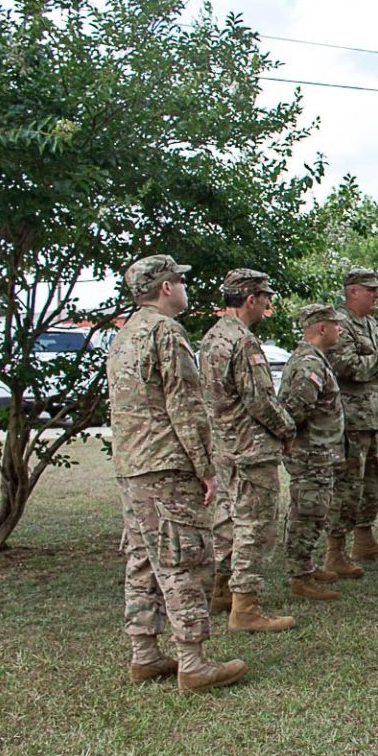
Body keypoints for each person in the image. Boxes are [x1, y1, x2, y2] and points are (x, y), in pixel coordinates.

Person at [108, 254, 246, 694]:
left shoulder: (124, 335)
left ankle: (145, 654)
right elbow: (184, 406)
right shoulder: (165, 332)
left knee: (143, 560)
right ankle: (193, 662)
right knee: (184, 559)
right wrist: (206, 468)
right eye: (180, 281)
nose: (185, 288)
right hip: (167, 466)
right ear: (166, 287)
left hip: (132, 468)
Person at [200, 269, 298, 633]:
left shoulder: (212, 337)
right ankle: (245, 608)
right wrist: (287, 429)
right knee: (254, 524)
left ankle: (221, 591)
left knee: (227, 520)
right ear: (250, 298)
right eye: (265, 297)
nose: (268, 304)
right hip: (250, 448)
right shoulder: (243, 342)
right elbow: (259, 399)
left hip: (223, 447)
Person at [324, 266, 378, 570]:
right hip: (350, 421)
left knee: (372, 482)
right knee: (347, 486)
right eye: (371, 290)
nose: (377, 295)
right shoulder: (340, 324)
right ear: (353, 291)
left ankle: (365, 540)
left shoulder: (371, 324)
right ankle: (334, 551)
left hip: (373, 419)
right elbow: (346, 366)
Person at [279, 304, 349, 601]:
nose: (340, 329)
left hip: (319, 452)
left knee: (314, 510)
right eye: (335, 324)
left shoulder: (315, 359)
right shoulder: (310, 364)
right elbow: (295, 410)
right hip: (310, 453)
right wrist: (290, 441)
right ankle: (300, 576)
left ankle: (305, 565)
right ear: (321, 328)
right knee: (307, 512)